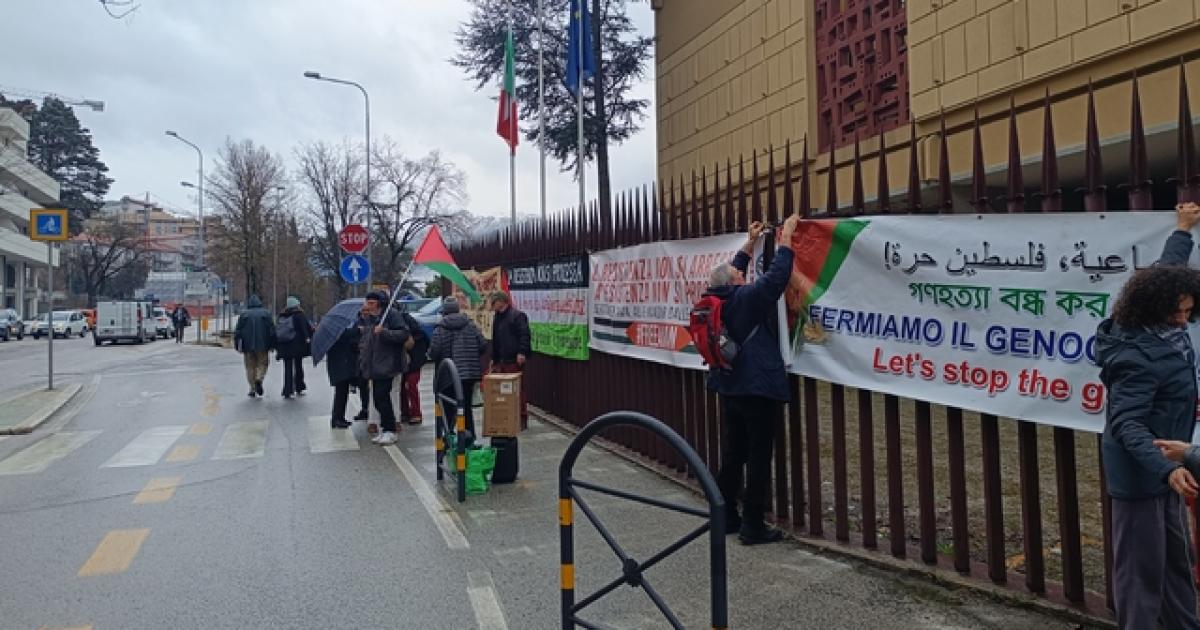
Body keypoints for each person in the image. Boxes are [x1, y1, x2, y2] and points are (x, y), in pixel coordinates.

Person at [1097, 260, 1200, 629]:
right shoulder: (1137, 356)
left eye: (1189, 311)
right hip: (1143, 475)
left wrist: (1183, 232)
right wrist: (1168, 468)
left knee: (1176, 561)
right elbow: (1126, 422)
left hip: (1166, 472)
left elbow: (1169, 267)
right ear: (1153, 307)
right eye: (1176, 313)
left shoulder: (1155, 330)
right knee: (1141, 571)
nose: (1183, 321)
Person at [706, 216, 798, 546]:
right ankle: (753, 524)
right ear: (734, 283)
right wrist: (786, 238)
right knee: (759, 456)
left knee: (734, 453)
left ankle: (726, 514)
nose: (743, 275)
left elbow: (730, 271)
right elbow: (776, 278)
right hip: (756, 389)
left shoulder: (715, 297)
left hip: (730, 388)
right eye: (740, 275)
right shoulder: (744, 299)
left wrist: (749, 244)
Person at [358, 291, 412, 446]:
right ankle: (385, 428)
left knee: (382, 396)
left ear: (380, 303)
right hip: (374, 363)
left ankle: (390, 429)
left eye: (372, 303)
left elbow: (403, 334)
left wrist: (385, 332)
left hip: (388, 363)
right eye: (367, 303)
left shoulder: (392, 315)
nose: (368, 306)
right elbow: (367, 339)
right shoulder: (370, 318)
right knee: (378, 398)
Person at [430, 296, 487, 438]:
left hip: (448, 375)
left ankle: (447, 439)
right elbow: (482, 345)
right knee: (466, 407)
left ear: (444, 311)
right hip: (468, 374)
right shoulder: (470, 325)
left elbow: (434, 352)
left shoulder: (440, 328)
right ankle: (469, 438)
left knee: (449, 408)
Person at [489, 291, 531, 427]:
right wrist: (494, 359)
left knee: (518, 390)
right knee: (503, 390)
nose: (492, 306)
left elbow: (524, 335)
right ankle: (507, 417)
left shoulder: (518, 316)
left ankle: (521, 418)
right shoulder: (497, 317)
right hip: (501, 360)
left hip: (514, 360)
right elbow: (495, 339)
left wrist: (522, 352)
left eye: (493, 303)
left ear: (502, 302)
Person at [234, 295, 276, 398]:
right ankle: (259, 379)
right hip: (263, 344)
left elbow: (238, 332)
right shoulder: (266, 314)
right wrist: (273, 344)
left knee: (249, 367)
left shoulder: (244, 315)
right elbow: (272, 331)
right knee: (263, 364)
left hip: (247, 346)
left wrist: (238, 345)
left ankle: (252, 389)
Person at [325, 320, 363, 429]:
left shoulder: (334, 330)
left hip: (341, 364)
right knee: (341, 392)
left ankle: (339, 417)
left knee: (342, 392)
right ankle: (337, 418)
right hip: (340, 365)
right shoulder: (336, 332)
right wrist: (358, 330)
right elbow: (344, 336)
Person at [275, 296, 315, 399]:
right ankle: (299, 386)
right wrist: (308, 337)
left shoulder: (282, 316)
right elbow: (305, 329)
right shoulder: (299, 315)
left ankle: (287, 390)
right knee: (298, 365)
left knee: (287, 367)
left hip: (284, 345)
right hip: (297, 345)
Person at [399, 307, 430, 425]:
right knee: (407, 387)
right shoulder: (420, 333)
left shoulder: (416, 335)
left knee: (409, 386)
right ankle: (408, 412)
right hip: (413, 364)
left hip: (413, 364)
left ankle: (413, 413)